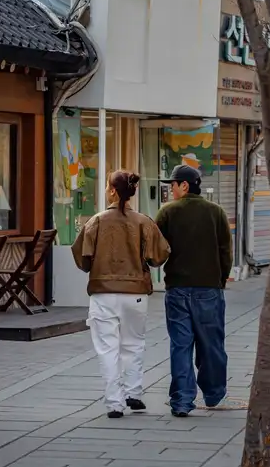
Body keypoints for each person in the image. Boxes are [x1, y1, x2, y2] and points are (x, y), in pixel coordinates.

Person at [72, 169, 170, 419]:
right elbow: (159, 255)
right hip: (135, 292)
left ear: (113, 191)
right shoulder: (143, 221)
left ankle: (114, 403)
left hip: (103, 292)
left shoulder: (96, 221)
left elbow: (82, 258)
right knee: (134, 344)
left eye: (108, 186)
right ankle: (133, 392)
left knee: (107, 349)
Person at [156, 164, 233, 418]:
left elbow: (156, 250)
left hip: (177, 288)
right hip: (209, 288)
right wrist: (220, 280)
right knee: (211, 343)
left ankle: (181, 400)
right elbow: (226, 252)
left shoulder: (167, 212)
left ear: (184, 185)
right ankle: (214, 393)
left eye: (173, 185)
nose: (171, 190)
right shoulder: (216, 212)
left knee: (181, 345)